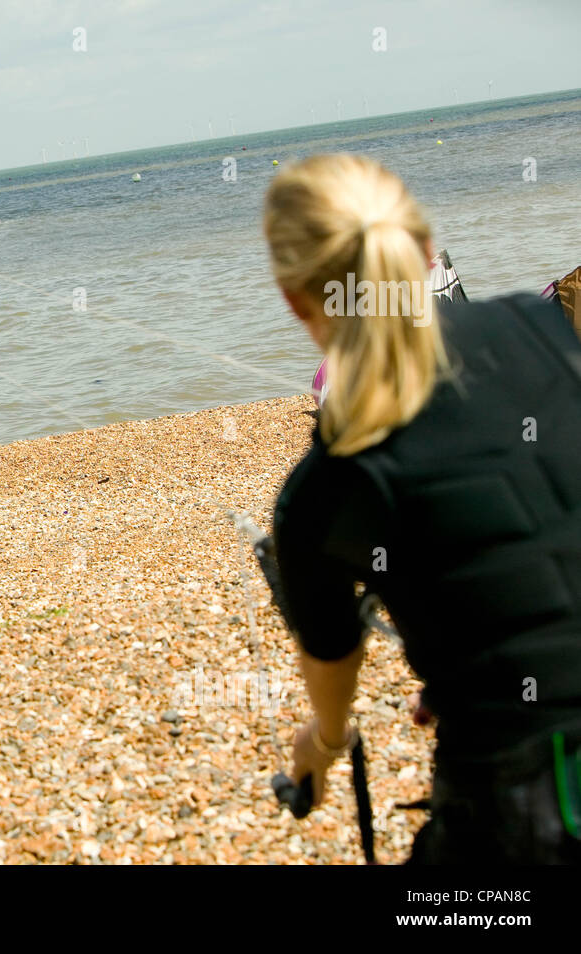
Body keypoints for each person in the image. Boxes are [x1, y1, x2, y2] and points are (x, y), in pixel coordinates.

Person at [263, 153, 581, 864]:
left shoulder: (322, 489)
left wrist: (315, 749)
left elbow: (334, 716)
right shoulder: (545, 327)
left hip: (528, 800)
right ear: (429, 252)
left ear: (293, 298)